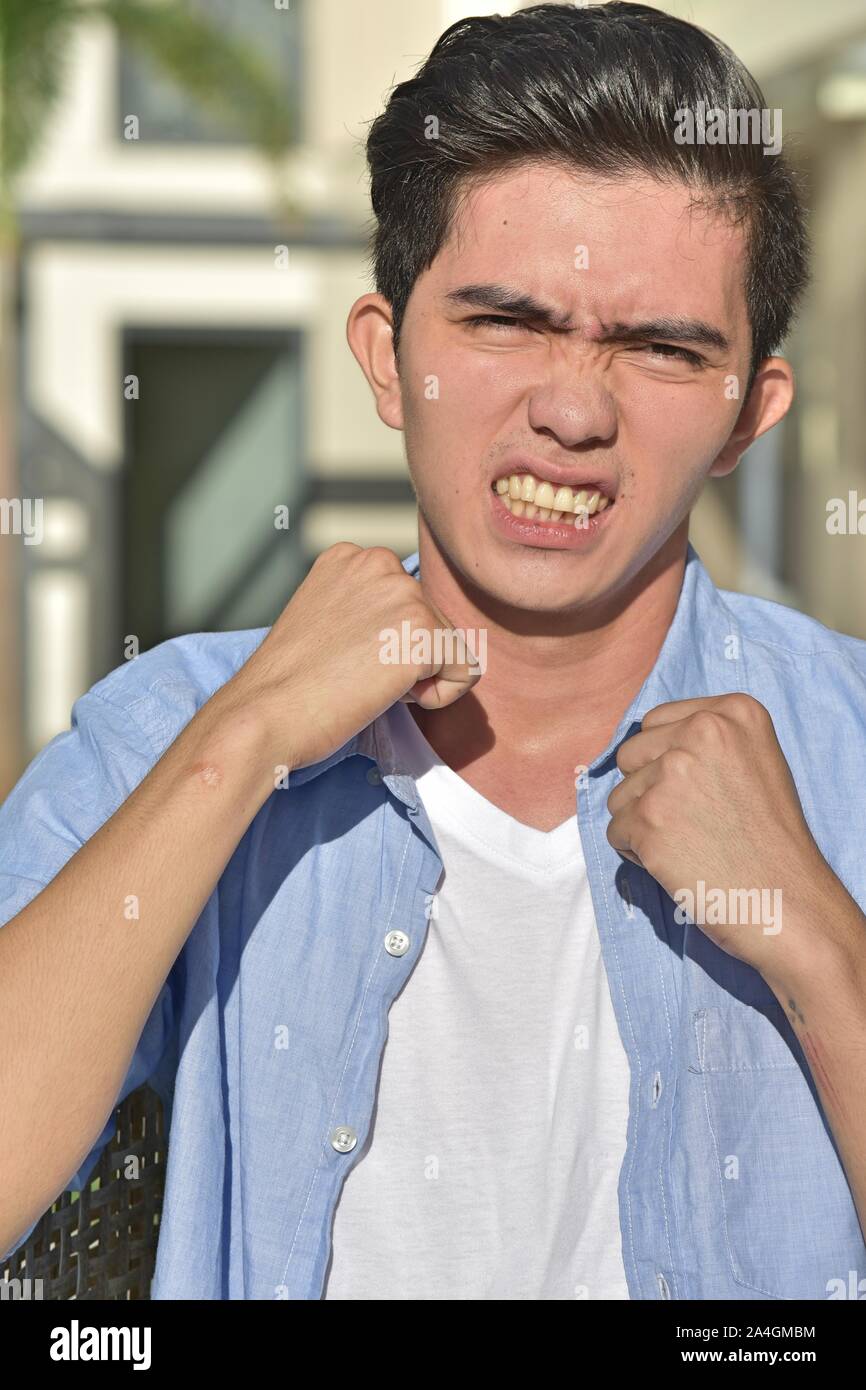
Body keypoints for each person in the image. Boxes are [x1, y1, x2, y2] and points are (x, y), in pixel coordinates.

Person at [1, 1, 865, 1302]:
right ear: (387, 358)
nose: (571, 409)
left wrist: (814, 939)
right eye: (503, 322)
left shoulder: (849, 744)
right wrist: (242, 743)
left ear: (747, 413)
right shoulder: (178, 721)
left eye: (658, 347)